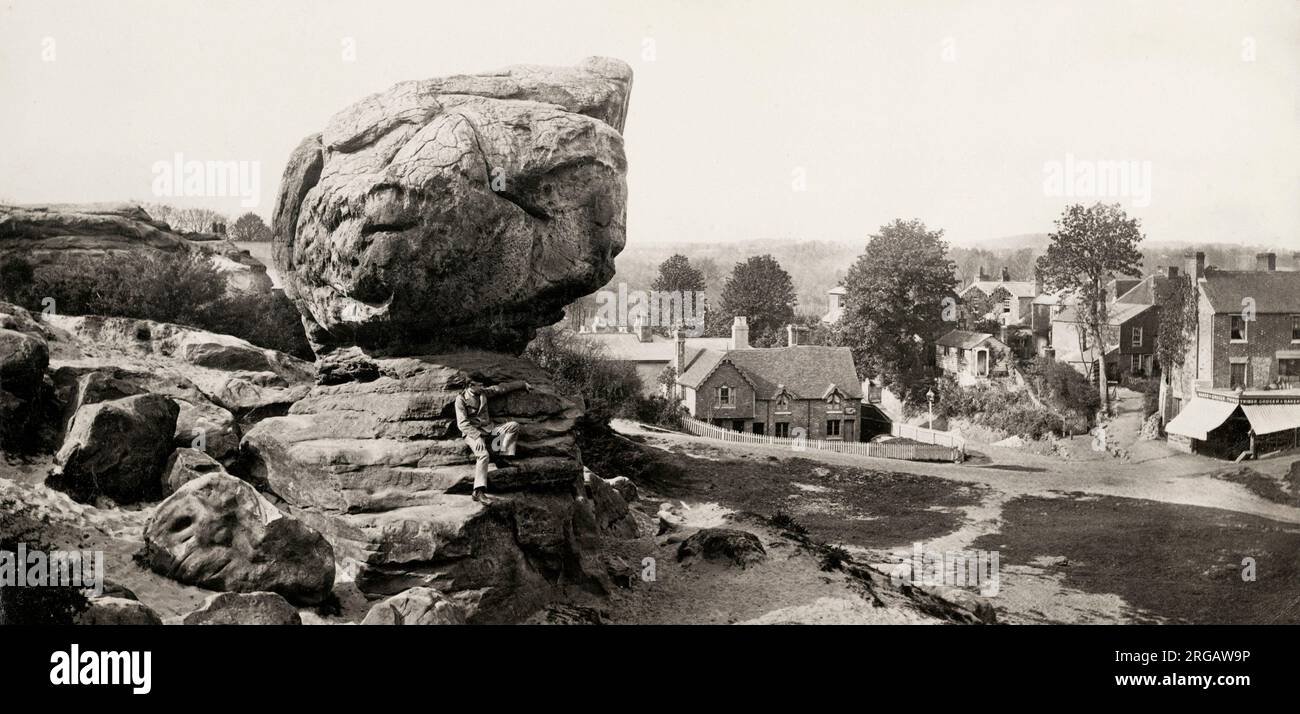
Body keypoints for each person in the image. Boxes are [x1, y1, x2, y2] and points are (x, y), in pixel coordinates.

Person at [455, 379, 531, 503]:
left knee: (513, 426)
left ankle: (500, 458)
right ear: (471, 386)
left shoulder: (483, 392)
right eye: (480, 384)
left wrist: (522, 384)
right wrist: (477, 437)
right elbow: (462, 424)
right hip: (472, 433)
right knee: (483, 455)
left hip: (488, 428)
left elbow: (502, 388)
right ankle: (478, 491)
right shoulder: (461, 399)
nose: (482, 386)